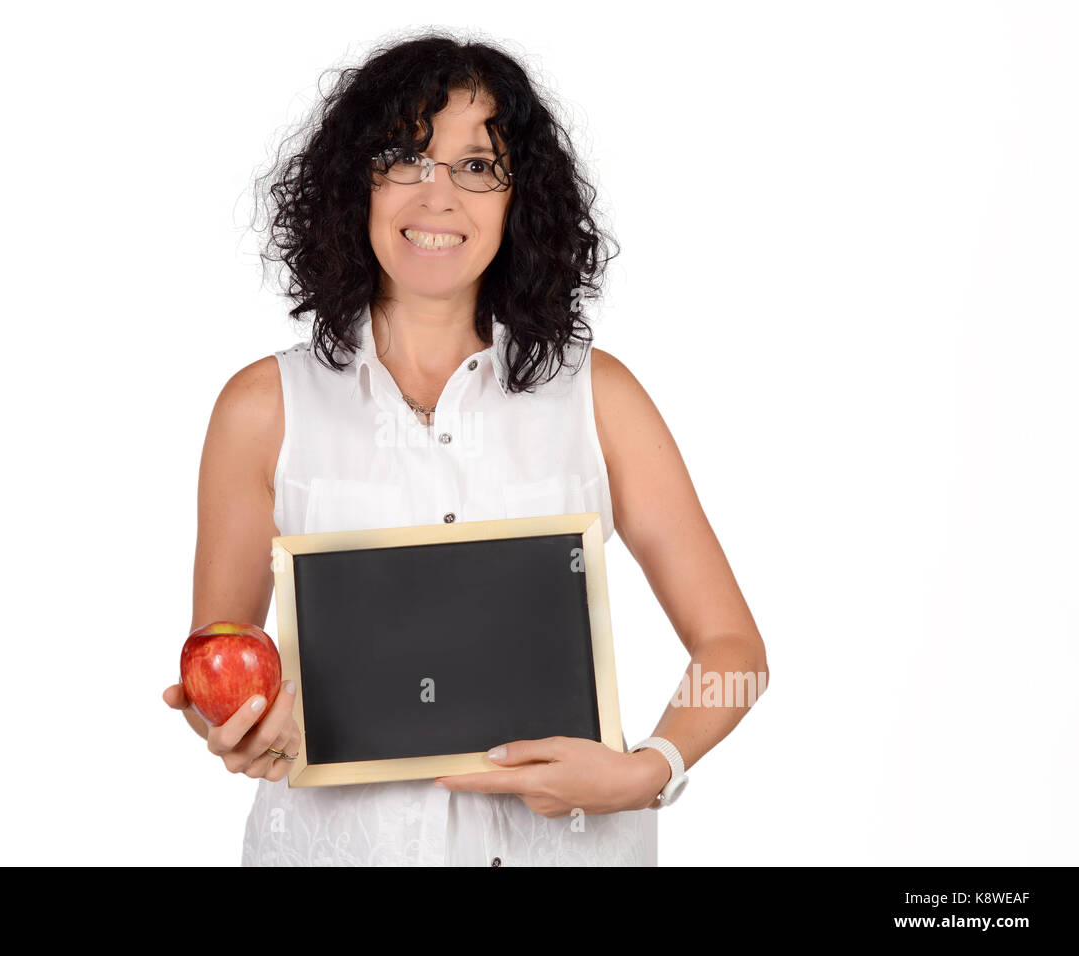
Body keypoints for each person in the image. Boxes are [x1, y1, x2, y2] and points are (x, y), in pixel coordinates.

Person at [161, 32, 769, 866]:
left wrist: (647, 771)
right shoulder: (263, 409)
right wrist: (231, 725)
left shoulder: (602, 398)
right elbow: (223, 663)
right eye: (402, 156)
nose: (436, 194)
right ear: (355, 185)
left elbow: (734, 654)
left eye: (476, 166)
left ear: (520, 198)